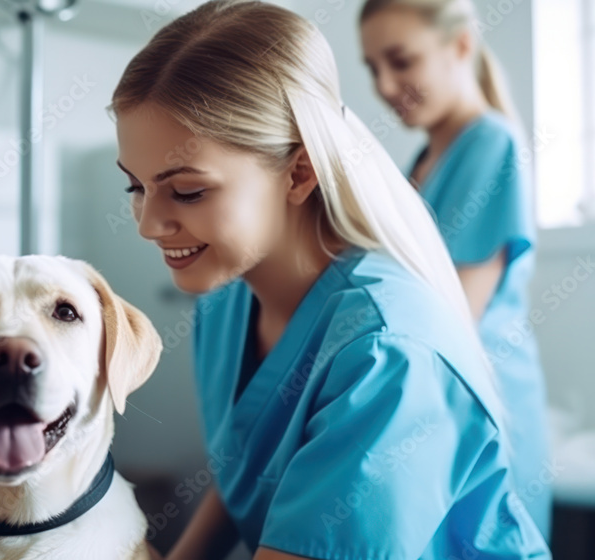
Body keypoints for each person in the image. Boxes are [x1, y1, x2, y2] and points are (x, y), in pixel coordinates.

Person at [109, 1, 550, 558]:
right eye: (134, 188)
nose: (149, 224)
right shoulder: (224, 303)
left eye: (189, 191)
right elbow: (249, 468)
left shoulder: (387, 353)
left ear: (299, 172)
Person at [360, 0, 551, 539]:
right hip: (434, 404)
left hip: (480, 411)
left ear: (461, 44)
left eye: (401, 61)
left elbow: (453, 316)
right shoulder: (419, 163)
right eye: (372, 68)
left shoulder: (492, 143)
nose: (386, 85)